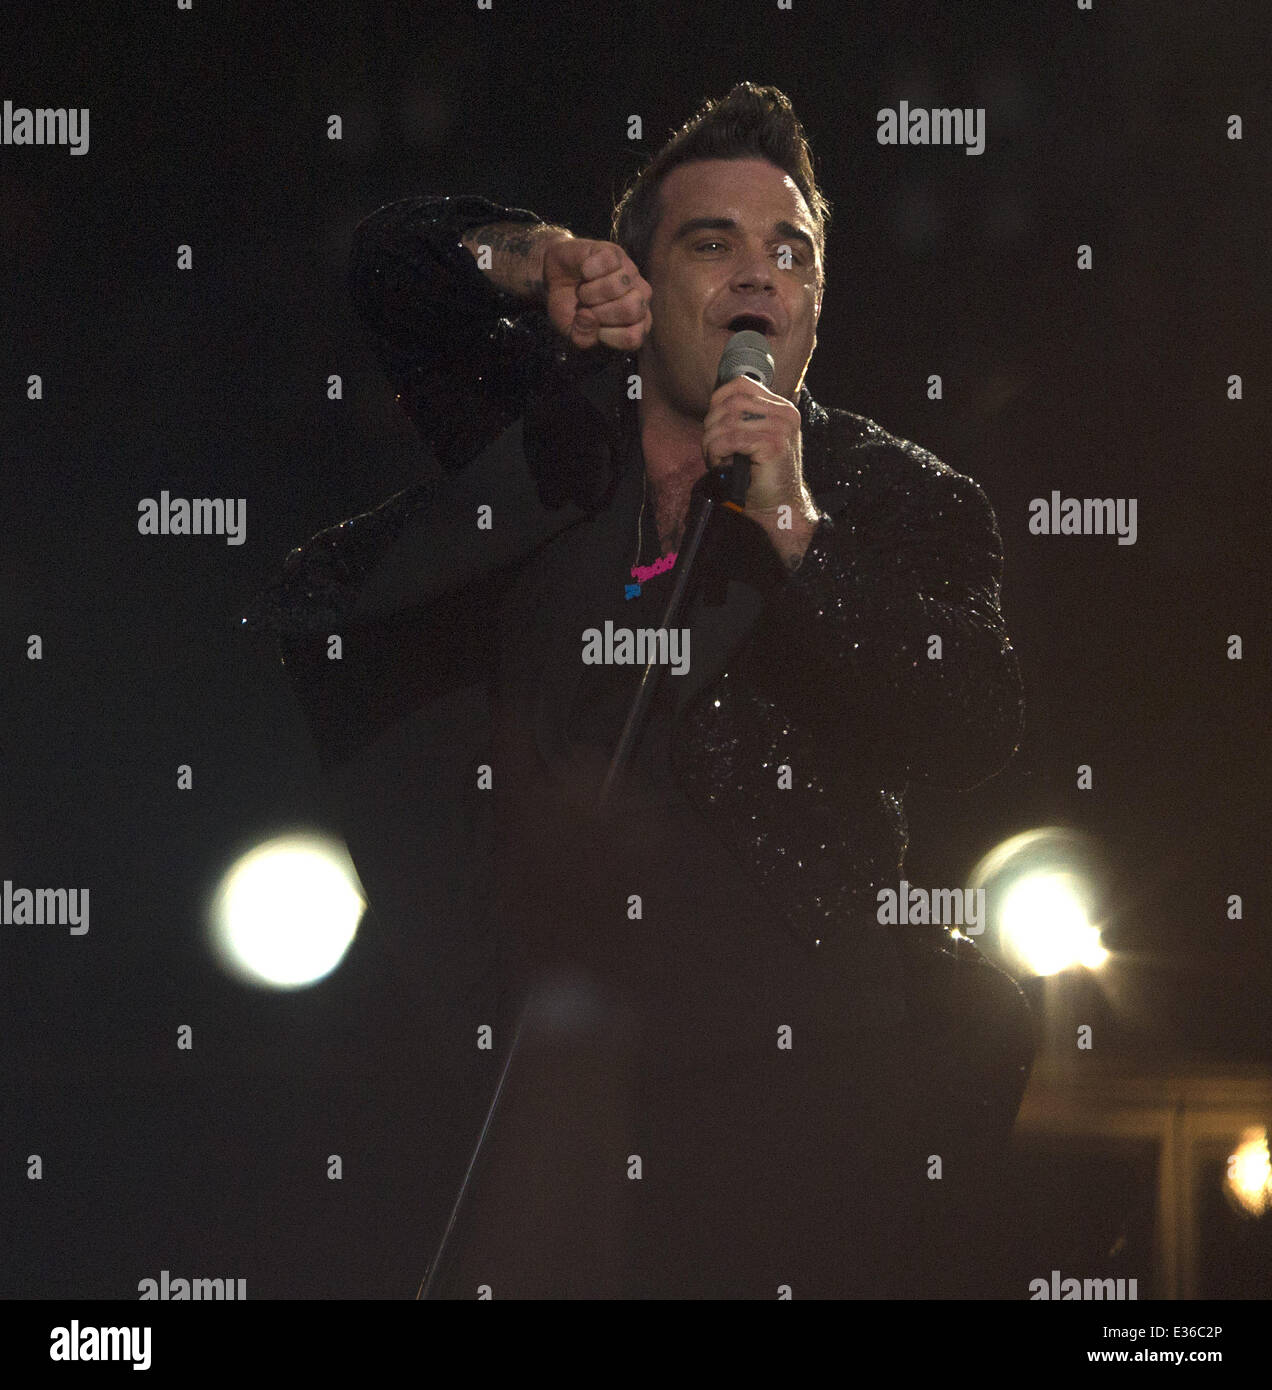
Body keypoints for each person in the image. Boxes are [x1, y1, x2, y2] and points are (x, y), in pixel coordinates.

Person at [245, 83, 1035, 1299]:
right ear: (643, 282)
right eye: (708, 241)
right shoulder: (551, 430)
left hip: (778, 1075)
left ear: (817, 301)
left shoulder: (900, 495)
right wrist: (527, 257)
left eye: (790, 250)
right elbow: (389, 269)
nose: (754, 273)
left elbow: (972, 719)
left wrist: (793, 525)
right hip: (522, 1039)